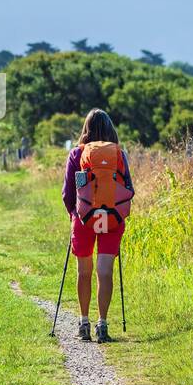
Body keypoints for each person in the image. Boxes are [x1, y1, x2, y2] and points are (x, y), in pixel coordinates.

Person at [61, 108, 133, 343]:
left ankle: (83, 323)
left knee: (84, 271)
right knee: (105, 271)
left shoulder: (76, 155)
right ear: (110, 129)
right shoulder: (119, 156)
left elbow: (69, 193)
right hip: (112, 218)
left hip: (84, 219)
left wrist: (75, 214)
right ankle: (102, 324)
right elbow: (128, 190)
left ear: (86, 129)